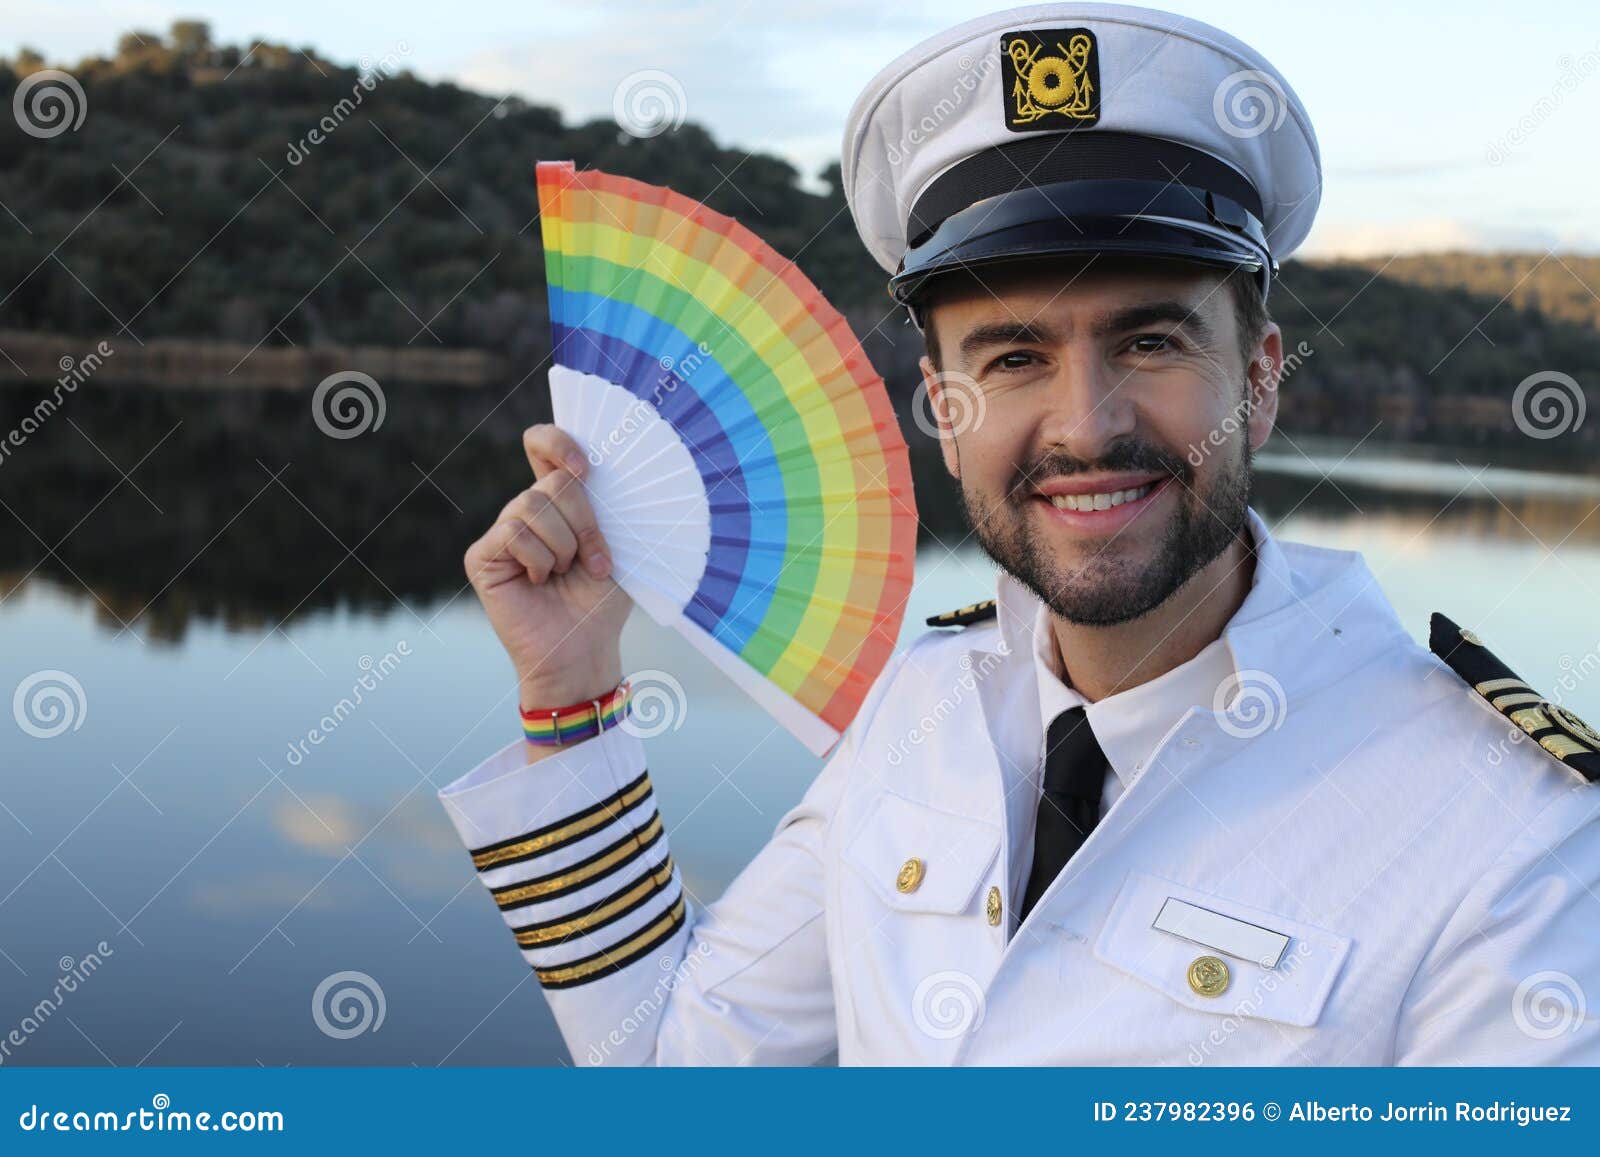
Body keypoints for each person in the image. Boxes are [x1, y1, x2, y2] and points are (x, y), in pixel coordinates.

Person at [438, 4, 1600, 1064]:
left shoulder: (1516, 838)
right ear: (944, 411)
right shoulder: (919, 711)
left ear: (1257, 381)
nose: (1086, 425)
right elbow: (671, 1066)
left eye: (1149, 342)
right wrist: (570, 687)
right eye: (1012, 358)